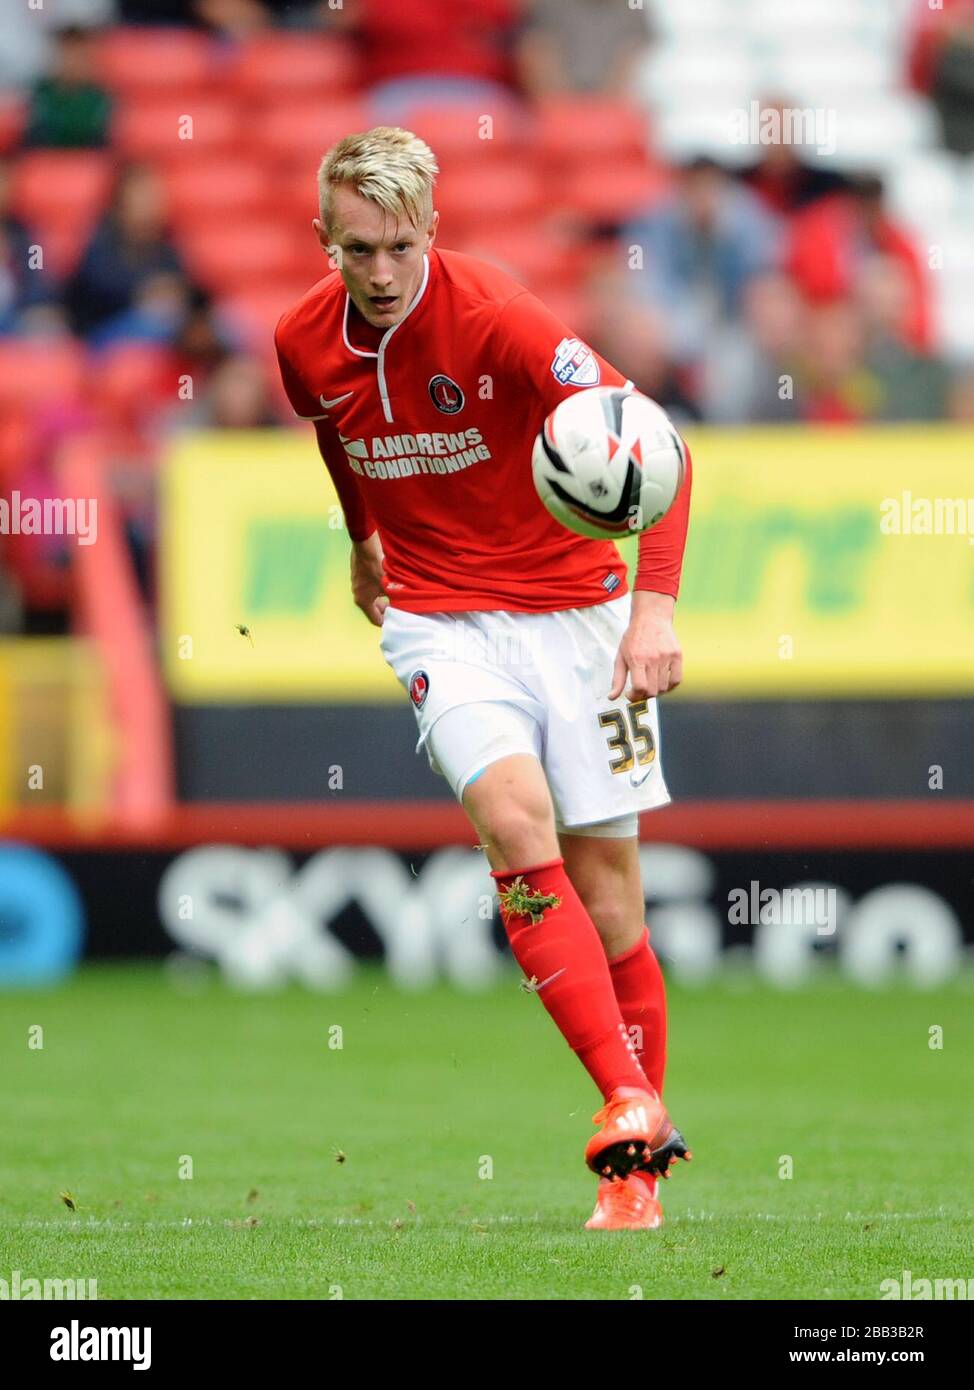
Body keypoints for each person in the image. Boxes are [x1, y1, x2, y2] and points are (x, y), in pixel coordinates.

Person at [275, 127, 693, 1232]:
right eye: (353, 248)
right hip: (438, 621)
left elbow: (658, 448)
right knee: (514, 824)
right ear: (324, 237)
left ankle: (635, 1171)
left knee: (610, 903)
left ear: (431, 232)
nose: (375, 273)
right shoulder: (296, 341)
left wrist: (651, 605)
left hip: (579, 615)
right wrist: (361, 539)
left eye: (396, 247)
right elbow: (335, 433)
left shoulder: (498, 317)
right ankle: (622, 1101)